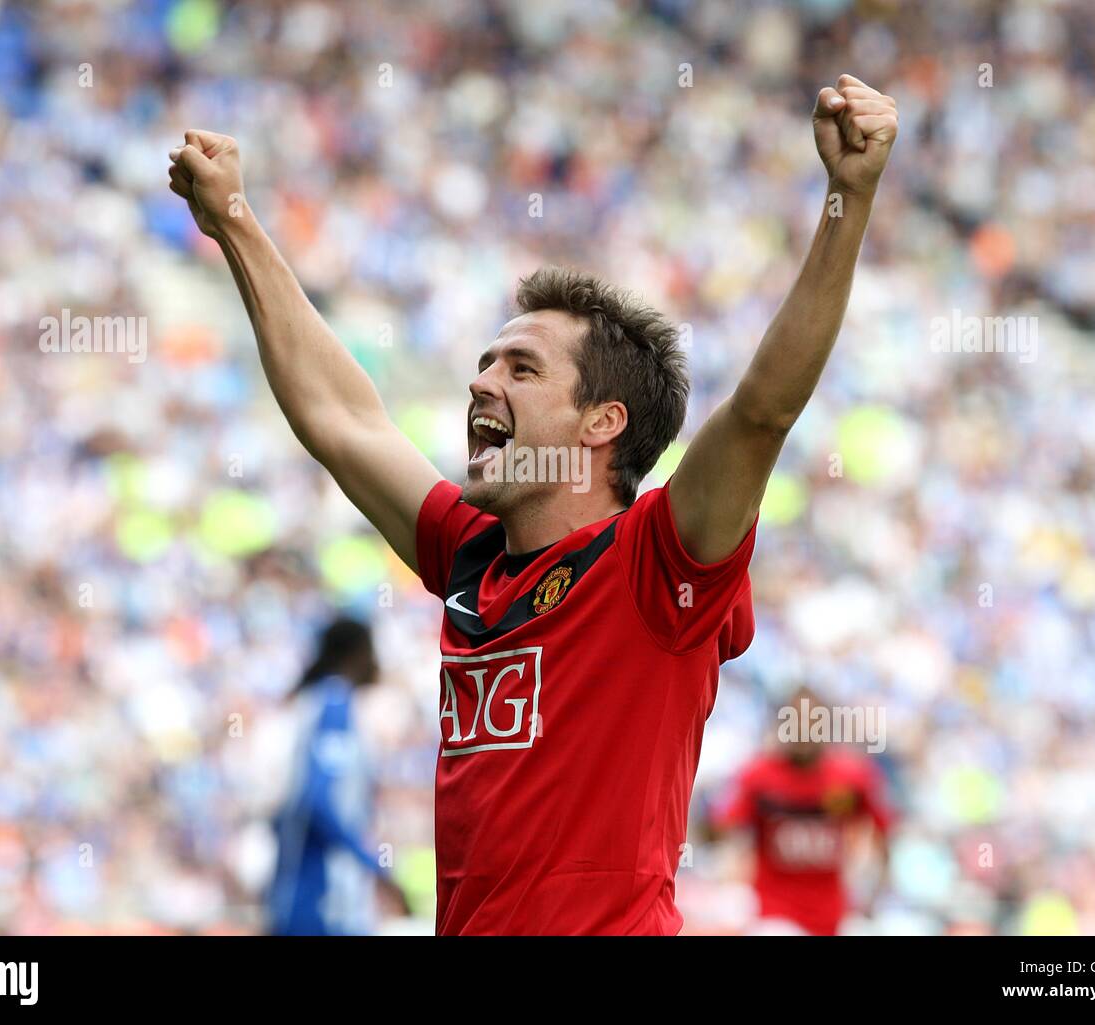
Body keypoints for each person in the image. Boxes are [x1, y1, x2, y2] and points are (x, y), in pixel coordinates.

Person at [168, 75, 899, 935]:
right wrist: (235, 224)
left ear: (603, 422)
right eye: (486, 361)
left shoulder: (658, 562)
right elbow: (338, 419)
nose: (479, 381)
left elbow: (763, 411)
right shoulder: (470, 552)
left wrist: (848, 197)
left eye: (521, 368)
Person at [710, 687, 895, 935]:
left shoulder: (853, 777)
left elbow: (884, 831)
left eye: (813, 722)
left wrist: (875, 890)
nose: (805, 731)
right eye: (796, 721)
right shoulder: (758, 776)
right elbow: (721, 828)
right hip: (775, 911)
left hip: (834, 912)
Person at [266, 617, 407, 935]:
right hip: (320, 899)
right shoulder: (333, 702)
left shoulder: (313, 703)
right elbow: (317, 801)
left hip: (303, 891)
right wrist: (376, 867)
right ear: (355, 654)